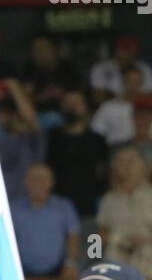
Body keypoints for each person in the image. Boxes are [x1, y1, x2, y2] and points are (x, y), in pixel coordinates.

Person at [97, 147, 152, 280]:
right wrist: (118, 239)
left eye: (130, 161)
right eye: (121, 162)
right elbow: (99, 234)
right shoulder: (108, 199)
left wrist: (147, 237)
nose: (126, 166)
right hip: (116, 258)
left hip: (146, 258)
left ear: (142, 165)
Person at [45, 90, 110, 218]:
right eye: (67, 103)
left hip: (89, 206)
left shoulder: (97, 139)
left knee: (92, 237)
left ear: (86, 108)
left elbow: (103, 171)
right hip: (56, 204)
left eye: (76, 103)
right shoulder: (51, 137)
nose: (72, 107)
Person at [11, 163, 80, 278]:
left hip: (59, 272)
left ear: (51, 182)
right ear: (26, 182)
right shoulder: (13, 209)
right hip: (20, 273)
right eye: (34, 179)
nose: (38, 182)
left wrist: (70, 264)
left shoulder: (64, 207)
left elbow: (73, 237)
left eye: (43, 179)